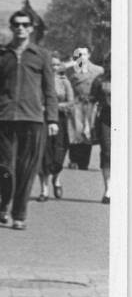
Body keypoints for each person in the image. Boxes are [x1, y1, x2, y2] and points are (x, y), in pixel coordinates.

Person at [0, 9, 58, 230]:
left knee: (27, 168)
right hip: (4, 118)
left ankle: (19, 213)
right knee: (4, 166)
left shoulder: (42, 56)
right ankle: (5, 199)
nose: (20, 28)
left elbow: (50, 91)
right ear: (11, 27)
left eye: (25, 24)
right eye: (16, 24)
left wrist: (52, 119)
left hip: (33, 119)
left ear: (32, 28)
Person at [37, 53, 74, 201]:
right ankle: (44, 189)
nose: (54, 68)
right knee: (43, 153)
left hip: (60, 119)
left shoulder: (64, 82)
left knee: (59, 153)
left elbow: (71, 103)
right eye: (51, 65)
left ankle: (56, 179)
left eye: (57, 65)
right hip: (43, 120)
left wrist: (54, 106)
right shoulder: (38, 81)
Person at [65, 47, 104, 170]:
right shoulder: (71, 71)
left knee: (88, 134)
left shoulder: (98, 70)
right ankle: (74, 160)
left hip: (91, 104)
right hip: (76, 104)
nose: (82, 57)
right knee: (75, 132)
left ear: (89, 55)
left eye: (84, 54)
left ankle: (84, 162)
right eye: (78, 55)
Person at [92, 61, 112, 204]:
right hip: (106, 117)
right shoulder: (100, 80)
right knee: (106, 152)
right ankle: (108, 189)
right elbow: (93, 101)